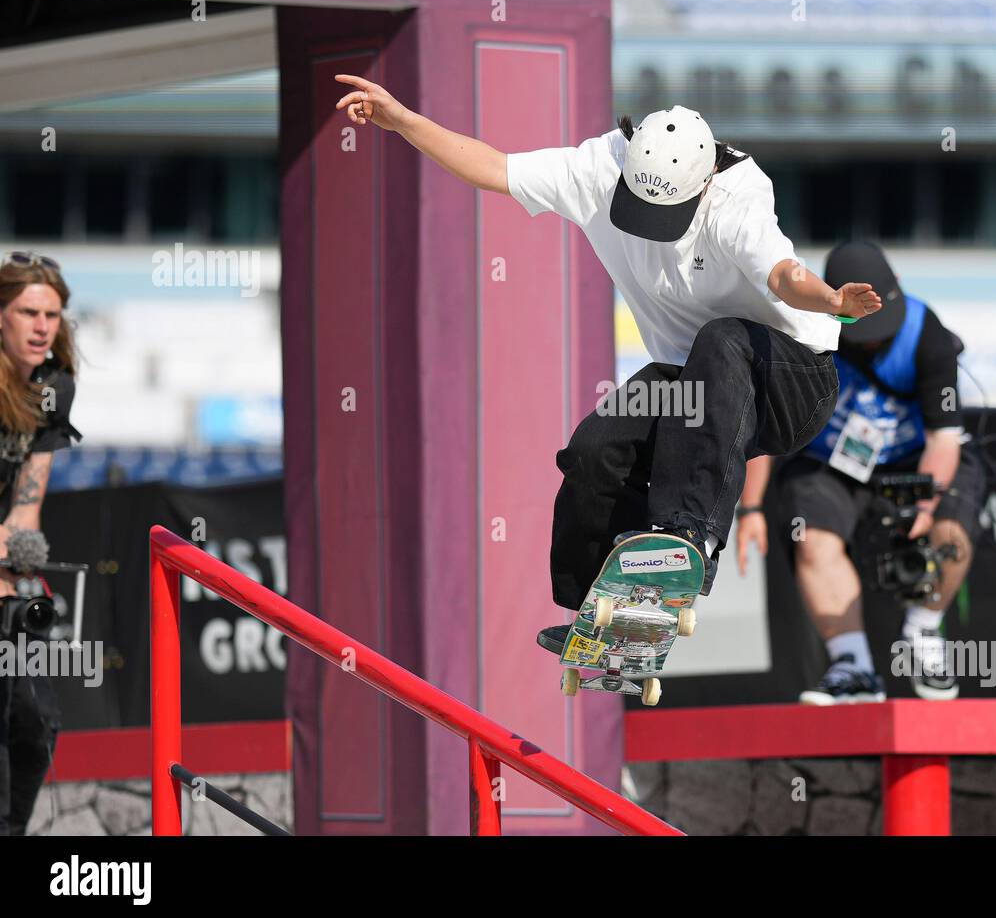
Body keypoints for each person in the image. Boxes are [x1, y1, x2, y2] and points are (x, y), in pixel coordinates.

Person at [333, 76, 880, 646]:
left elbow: (782, 276)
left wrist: (834, 300)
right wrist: (405, 122)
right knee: (597, 447)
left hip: (790, 382)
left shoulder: (737, 197)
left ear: (703, 183)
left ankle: (691, 537)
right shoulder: (599, 168)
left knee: (721, 339)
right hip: (696, 389)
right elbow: (495, 168)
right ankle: (599, 613)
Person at [736, 241, 985, 703]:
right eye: (861, 329)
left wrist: (926, 505)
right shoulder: (800, 333)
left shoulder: (926, 332)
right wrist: (750, 508)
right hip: (832, 463)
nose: (871, 341)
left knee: (952, 533)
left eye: (880, 329)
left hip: (914, 459)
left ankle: (924, 632)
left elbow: (944, 440)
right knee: (811, 538)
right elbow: (764, 435)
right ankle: (853, 665)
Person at [0, 250, 81, 834]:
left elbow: (26, 508)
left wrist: (14, 564)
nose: (41, 327)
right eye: (28, 311)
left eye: (52, 314)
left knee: (33, 723)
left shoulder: (54, 387)